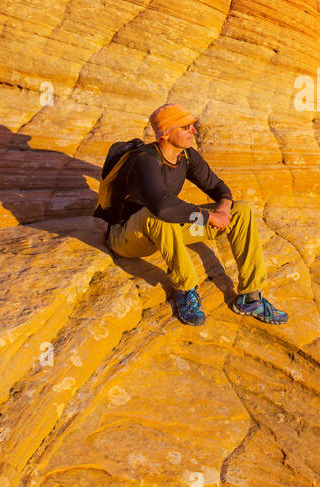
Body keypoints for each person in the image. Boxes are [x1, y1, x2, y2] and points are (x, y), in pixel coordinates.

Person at [103, 103, 287, 327]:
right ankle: (185, 288)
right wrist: (209, 218)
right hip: (127, 238)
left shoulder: (187, 156)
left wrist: (223, 206)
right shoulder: (144, 160)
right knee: (158, 215)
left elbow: (218, 187)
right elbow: (162, 207)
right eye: (185, 127)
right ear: (165, 133)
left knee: (242, 210)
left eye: (192, 125)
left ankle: (251, 296)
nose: (194, 131)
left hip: (164, 230)